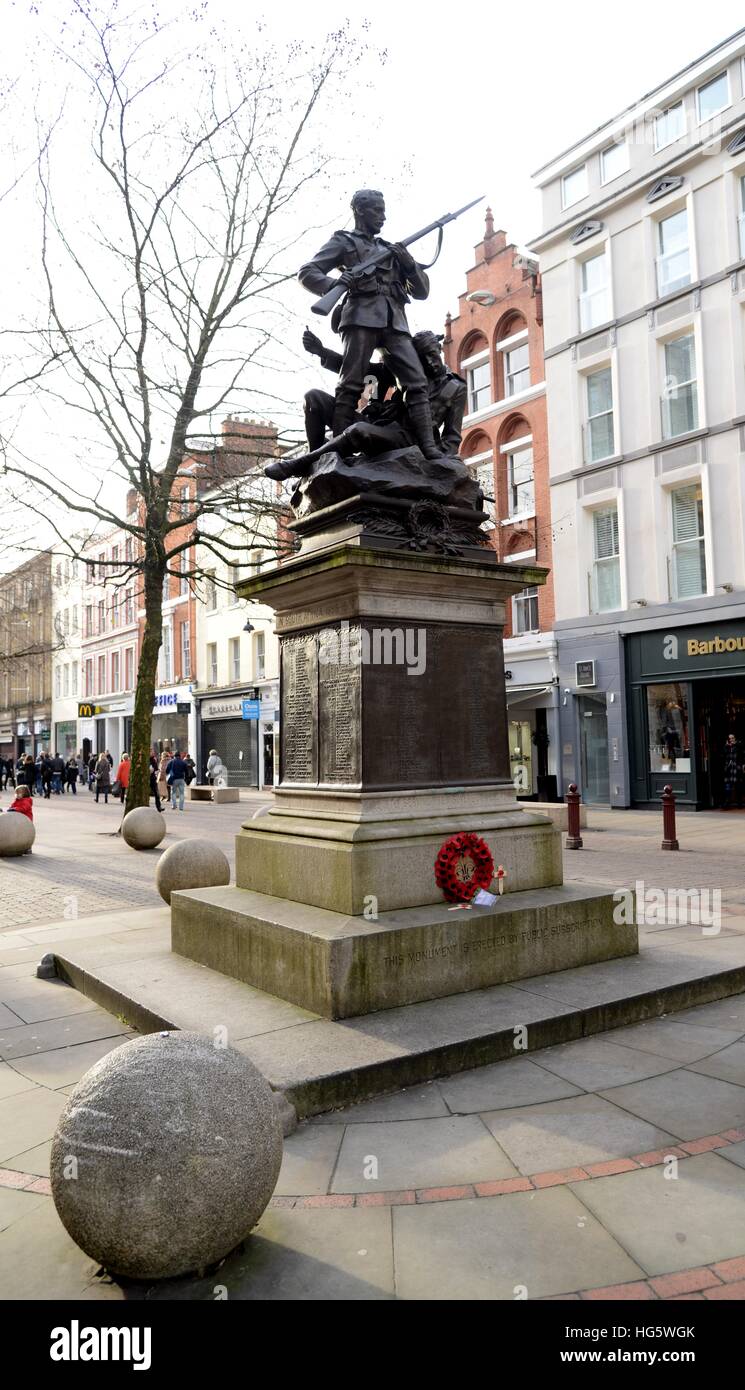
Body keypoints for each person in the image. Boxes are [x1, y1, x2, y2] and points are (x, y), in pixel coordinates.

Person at [297, 189, 442, 460]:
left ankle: (429, 448)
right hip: (360, 317)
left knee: (416, 382)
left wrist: (409, 264)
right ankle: (339, 451)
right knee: (350, 383)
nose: (383, 217)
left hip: (395, 322)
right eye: (377, 210)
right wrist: (338, 284)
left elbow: (421, 292)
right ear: (360, 211)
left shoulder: (391, 250)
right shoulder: (343, 242)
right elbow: (307, 272)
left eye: (384, 210)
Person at [722, 734, 743, 810]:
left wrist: (735, 744)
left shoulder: (739, 744)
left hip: (736, 767)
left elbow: (741, 750)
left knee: (738, 786)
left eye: (732, 738)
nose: (731, 740)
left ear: (735, 738)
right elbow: (724, 755)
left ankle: (739, 803)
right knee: (728, 786)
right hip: (728, 768)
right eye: (730, 738)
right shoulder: (727, 746)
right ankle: (727, 803)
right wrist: (726, 746)